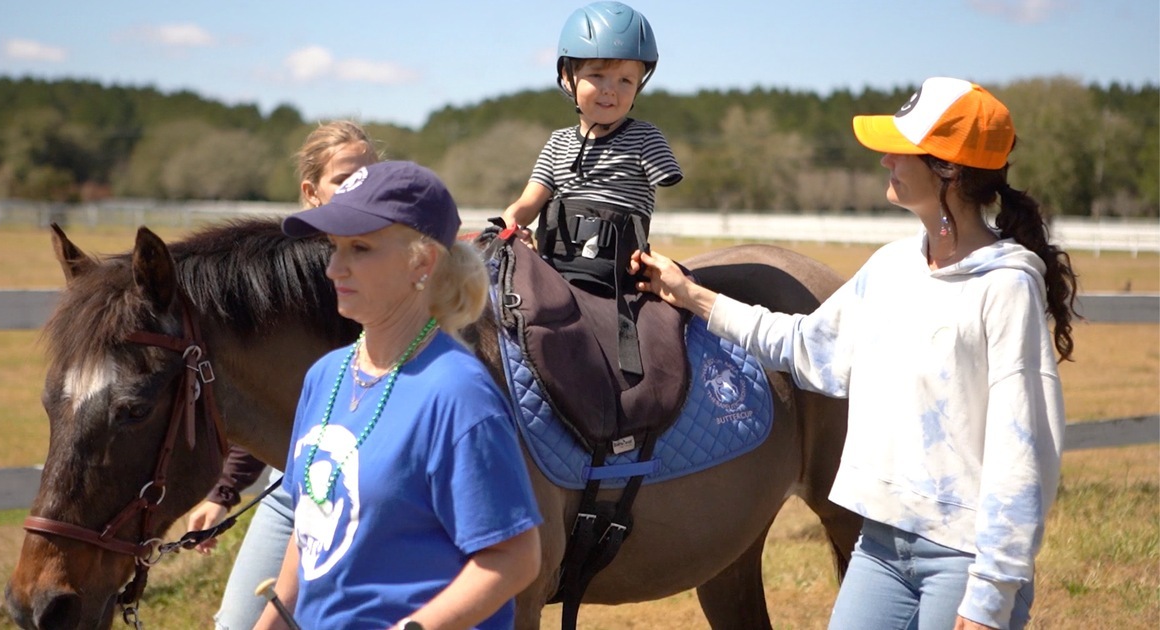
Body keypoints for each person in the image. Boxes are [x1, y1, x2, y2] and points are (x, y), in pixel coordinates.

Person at [629, 77, 1077, 630]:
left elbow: (1024, 451)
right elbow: (804, 346)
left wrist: (992, 590)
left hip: (964, 558)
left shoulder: (1006, 289)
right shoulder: (891, 267)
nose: (886, 159)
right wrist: (693, 296)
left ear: (949, 170)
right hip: (879, 551)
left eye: (901, 149)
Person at [255, 160, 543, 630]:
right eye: (334, 247)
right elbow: (311, 525)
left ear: (422, 262)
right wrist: (271, 623)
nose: (333, 268)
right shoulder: (325, 376)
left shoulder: (457, 394)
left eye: (360, 248)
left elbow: (514, 556)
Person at [183, 119, 381, 630]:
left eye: (369, 177)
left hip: (383, 487)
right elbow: (272, 396)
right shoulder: (288, 283)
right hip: (297, 482)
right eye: (344, 179)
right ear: (311, 193)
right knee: (238, 624)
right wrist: (223, 492)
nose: (360, 189)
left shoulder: (396, 269)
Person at [502, 0, 682, 296]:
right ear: (567, 77)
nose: (610, 89)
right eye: (597, 75)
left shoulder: (645, 138)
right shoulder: (557, 143)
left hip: (619, 280)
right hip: (552, 272)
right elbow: (528, 204)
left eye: (625, 80)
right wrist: (511, 221)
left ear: (639, 85)